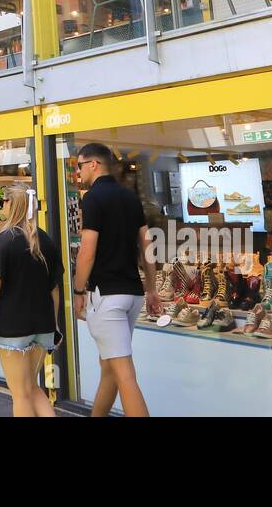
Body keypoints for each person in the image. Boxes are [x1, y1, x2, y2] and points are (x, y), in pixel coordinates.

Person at [70, 143, 161, 417]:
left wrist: (77, 290)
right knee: (109, 369)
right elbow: (147, 245)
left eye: (79, 166)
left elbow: (87, 251)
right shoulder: (129, 197)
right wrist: (152, 288)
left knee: (124, 375)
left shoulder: (93, 198)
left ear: (93, 164)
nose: (77, 172)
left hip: (107, 297)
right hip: (132, 294)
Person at [0, 185, 62, 417]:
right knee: (32, 388)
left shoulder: (4, 241)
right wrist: (55, 323)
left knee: (20, 393)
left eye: (4, 202)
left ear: (12, 205)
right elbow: (54, 290)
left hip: (11, 327)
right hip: (42, 325)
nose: (2, 206)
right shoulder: (46, 241)